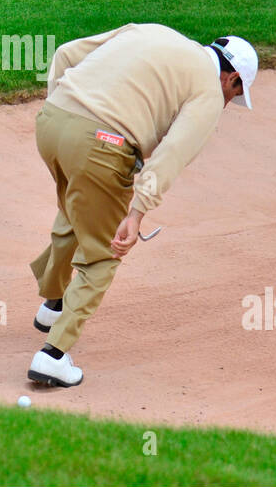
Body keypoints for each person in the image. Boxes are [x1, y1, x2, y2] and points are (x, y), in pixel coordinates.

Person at [26, 23, 259, 387]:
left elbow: (66, 54)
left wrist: (59, 111)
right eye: (235, 94)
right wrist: (137, 213)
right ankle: (52, 356)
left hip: (51, 122)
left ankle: (53, 305)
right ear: (231, 78)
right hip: (101, 145)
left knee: (80, 208)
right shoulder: (210, 92)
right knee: (105, 253)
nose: (229, 103)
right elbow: (172, 155)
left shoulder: (154, 31)